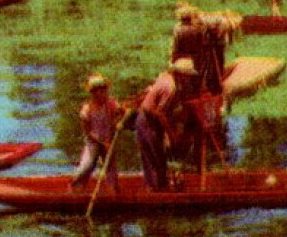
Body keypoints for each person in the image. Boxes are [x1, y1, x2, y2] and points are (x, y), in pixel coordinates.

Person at [135, 57, 194, 190]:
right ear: (181, 74)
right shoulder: (170, 87)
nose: (188, 79)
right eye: (187, 76)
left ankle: (157, 186)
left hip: (147, 118)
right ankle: (157, 188)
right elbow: (159, 113)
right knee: (155, 156)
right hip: (147, 120)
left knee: (154, 156)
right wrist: (170, 134)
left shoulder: (165, 77)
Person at [70, 74, 124, 192]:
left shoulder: (110, 104)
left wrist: (119, 119)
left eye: (105, 89)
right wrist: (102, 143)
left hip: (108, 139)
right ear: (94, 93)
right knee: (88, 165)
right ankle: (75, 185)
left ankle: (113, 189)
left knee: (110, 165)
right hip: (93, 141)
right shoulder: (87, 110)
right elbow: (88, 133)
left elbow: (120, 112)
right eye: (100, 90)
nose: (104, 93)